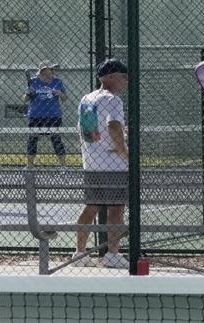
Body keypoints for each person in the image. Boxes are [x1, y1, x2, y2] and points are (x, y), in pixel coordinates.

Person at [74, 59, 129, 268]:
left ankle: (79, 253)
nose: (125, 82)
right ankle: (112, 254)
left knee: (91, 208)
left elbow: (89, 130)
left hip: (92, 163)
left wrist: (117, 137)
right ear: (112, 76)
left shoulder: (87, 99)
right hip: (113, 165)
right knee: (116, 210)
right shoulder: (113, 99)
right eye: (124, 77)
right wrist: (124, 152)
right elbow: (113, 126)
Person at [25, 61, 69, 166]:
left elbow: (65, 98)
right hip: (35, 116)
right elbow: (25, 99)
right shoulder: (33, 81)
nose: (53, 71)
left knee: (56, 140)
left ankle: (63, 166)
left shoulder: (57, 81)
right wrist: (28, 93)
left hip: (53, 116)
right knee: (32, 140)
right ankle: (30, 165)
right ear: (43, 71)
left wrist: (59, 93)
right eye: (51, 69)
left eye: (53, 69)